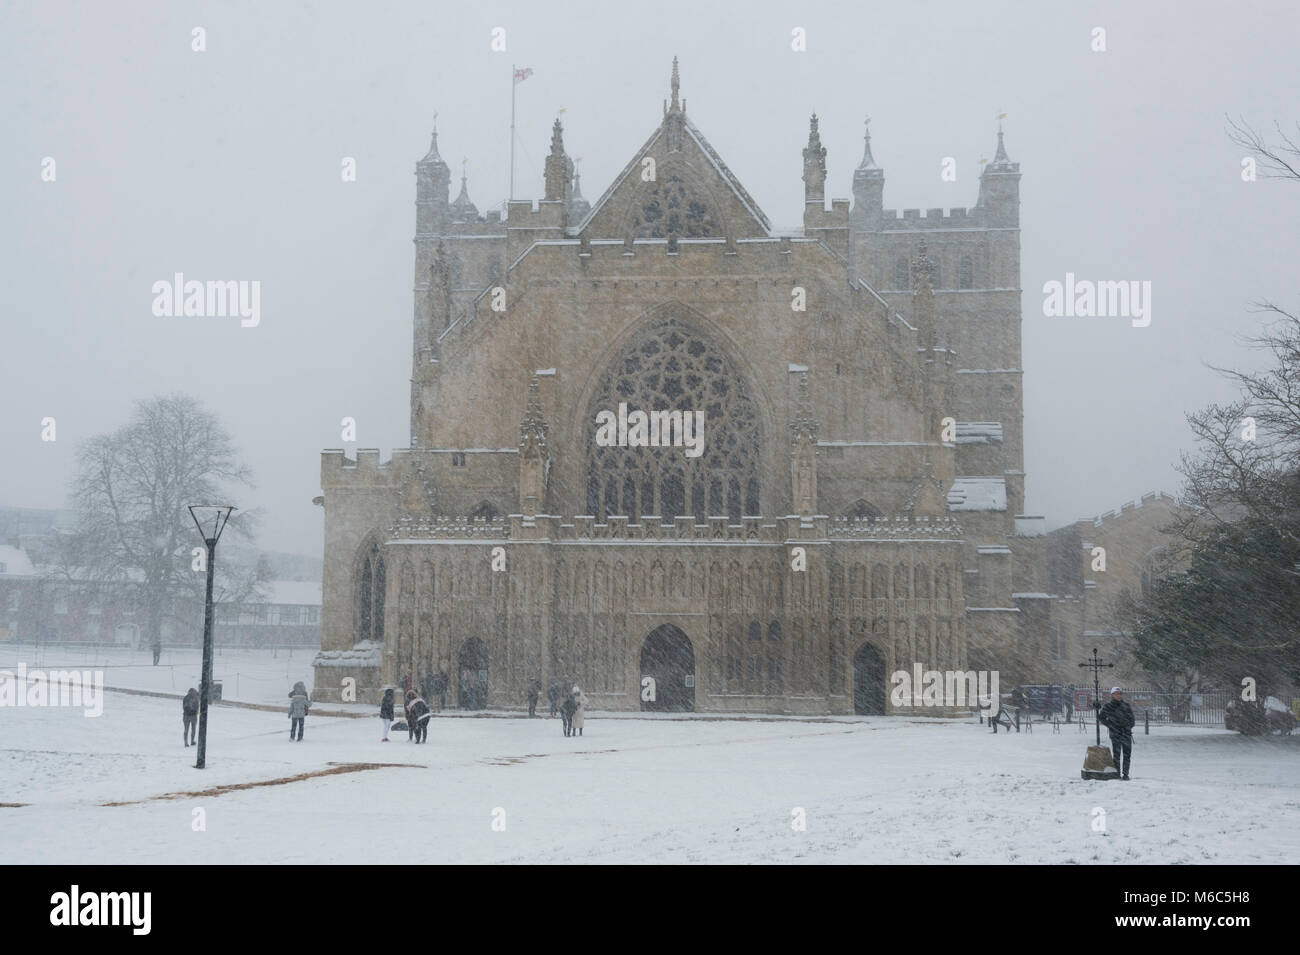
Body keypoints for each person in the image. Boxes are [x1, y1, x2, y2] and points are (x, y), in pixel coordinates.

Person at [1098, 686, 1135, 779]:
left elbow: (1132, 719)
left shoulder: (1126, 705)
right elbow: (1101, 717)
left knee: (1127, 755)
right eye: (1117, 693)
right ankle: (1117, 774)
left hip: (1126, 733)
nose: (1119, 695)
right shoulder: (1108, 706)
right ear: (1112, 695)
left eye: (1120, 693)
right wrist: (1111, 725)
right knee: (1117, 755)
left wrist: (1128, 727)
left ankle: (1126, 774)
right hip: (1115, 734)